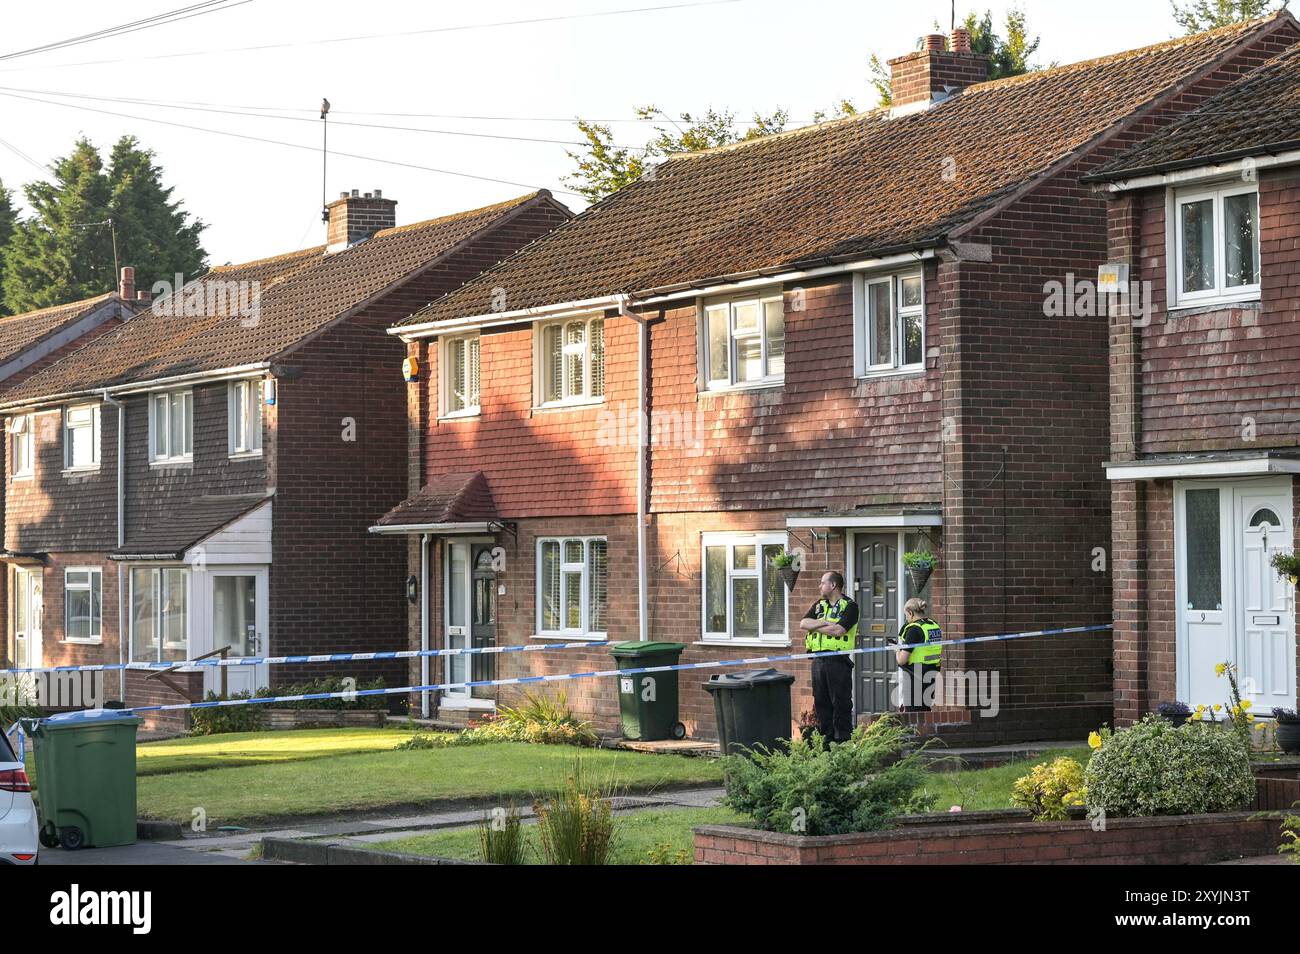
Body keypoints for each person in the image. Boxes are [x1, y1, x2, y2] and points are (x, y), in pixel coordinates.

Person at [799, 571, 859, 743]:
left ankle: (842, 742)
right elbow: (803, 623)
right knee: (821, 702)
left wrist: (816, 625)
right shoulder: (819, 605)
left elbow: (839, 630)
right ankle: (827, 741)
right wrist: (825, 623)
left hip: (838, 660)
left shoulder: (850, 606)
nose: (819, 586)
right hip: (818, 660)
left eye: (822, 582)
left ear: (833, 585)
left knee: (840, 703)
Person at [895, 597, 942, 711]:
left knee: (914, 714)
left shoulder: (914, 630)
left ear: (910, 612)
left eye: (906, 614)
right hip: (932, 673)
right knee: (925, 710)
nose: (906, 618)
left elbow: (902, 660)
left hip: (916, 675)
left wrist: (897, 649)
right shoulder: (933, 625)